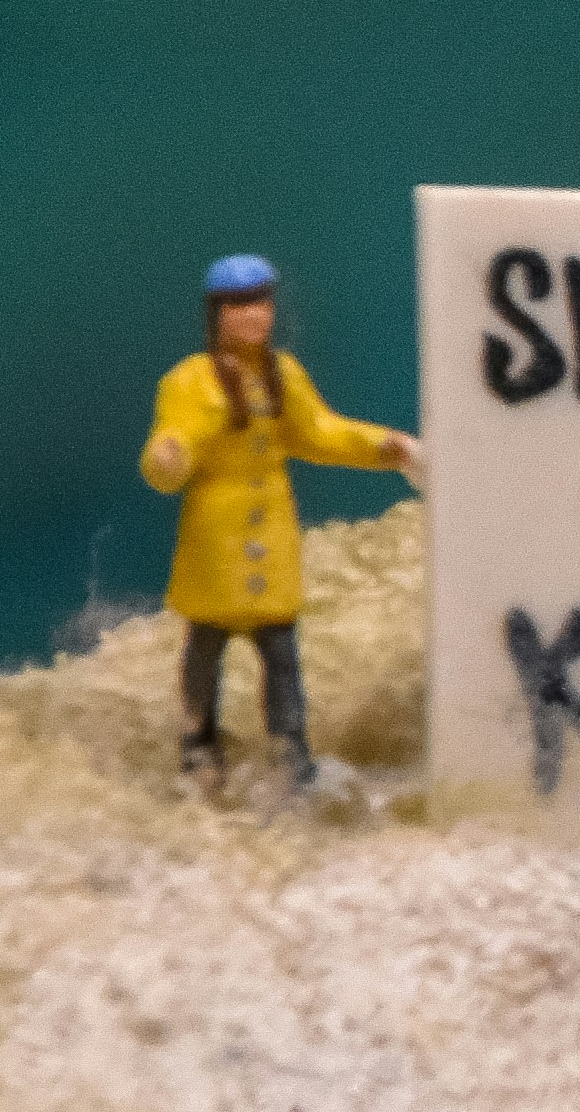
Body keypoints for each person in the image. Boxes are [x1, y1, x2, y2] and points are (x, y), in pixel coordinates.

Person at [138, 254, 420, 789]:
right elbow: (174, 439)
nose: (256, 316)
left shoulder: (282, 374)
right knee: (203, 651)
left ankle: (291, 758)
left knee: (282, 659)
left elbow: (319, 431)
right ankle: (198, 752)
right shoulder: (189, 382)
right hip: (215, 543)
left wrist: (385, 446)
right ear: (219, 312)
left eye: (263, 303)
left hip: (272, 537)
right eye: (242, 305)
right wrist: (166, 456)